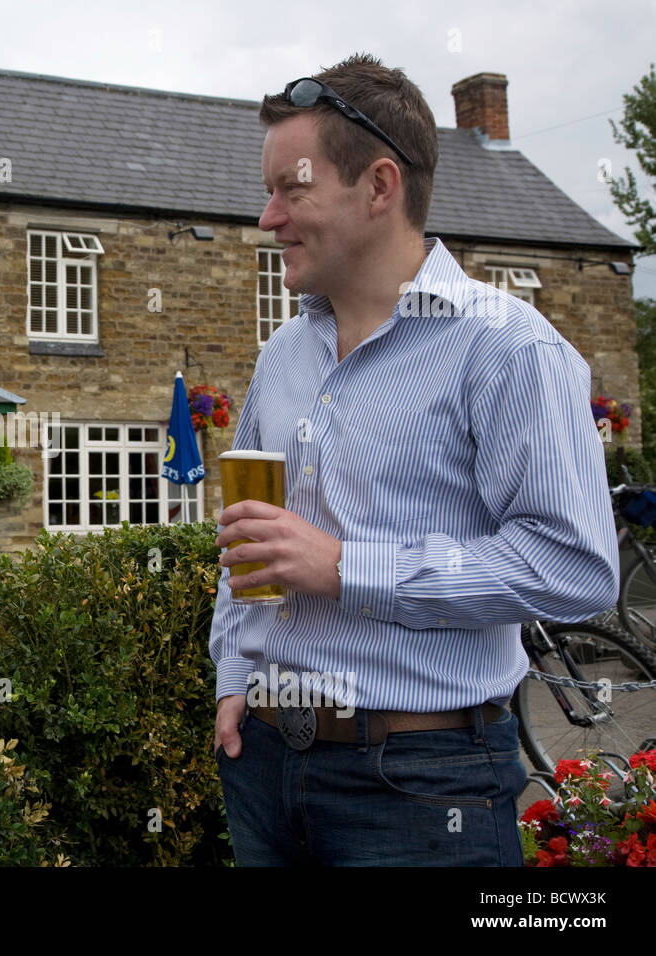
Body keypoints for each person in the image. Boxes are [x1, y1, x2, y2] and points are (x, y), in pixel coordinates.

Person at [209, 54, 619, 866]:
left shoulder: (507, 349)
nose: (267, 218)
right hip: (262, 764)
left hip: (423, 787)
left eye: (292, 192)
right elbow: (249, 538)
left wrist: (348, 566)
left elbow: (576, 567)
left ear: (380, 187)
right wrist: (232, 673)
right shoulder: (282, 354)